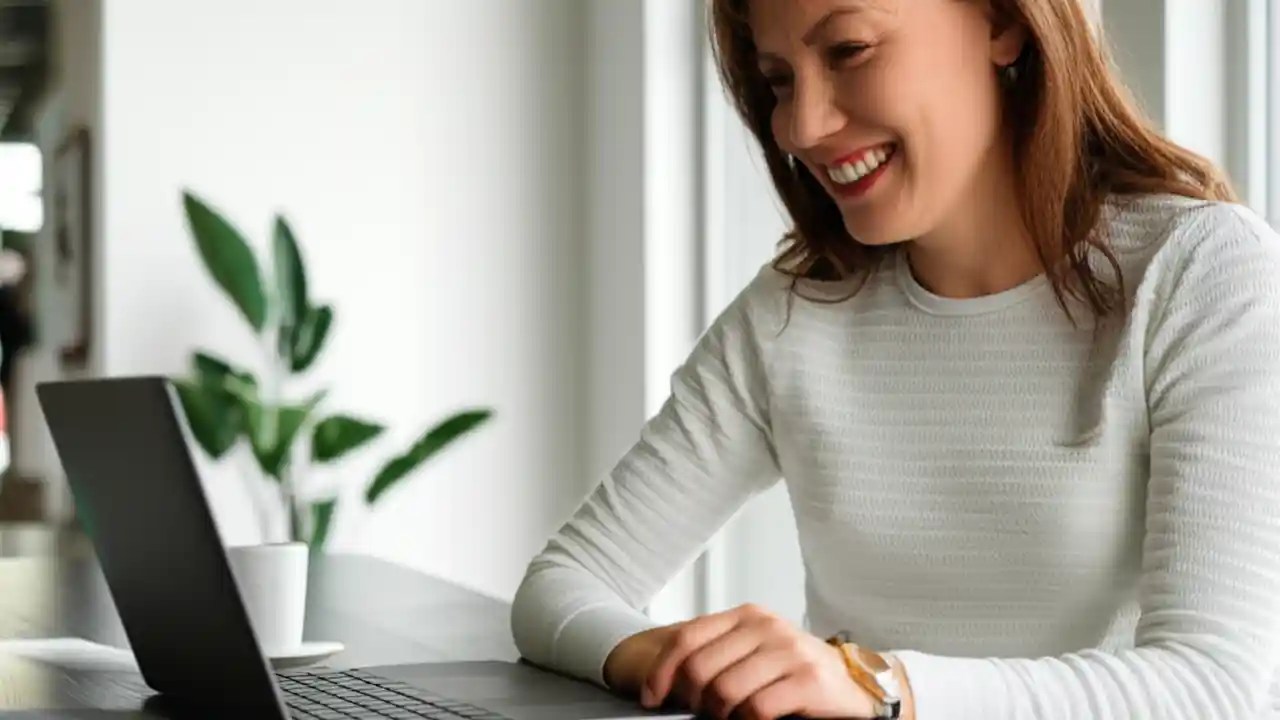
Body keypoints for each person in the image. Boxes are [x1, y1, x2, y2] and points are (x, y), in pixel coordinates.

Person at [511, 0, 1280, 718]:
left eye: (849, 50)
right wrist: (693, 661)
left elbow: (1210, 683)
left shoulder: (1200, 272)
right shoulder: (797, 310)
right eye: (777, 79)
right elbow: (564, 586)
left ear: (1003, 23)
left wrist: (879, 686)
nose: (799, 126)